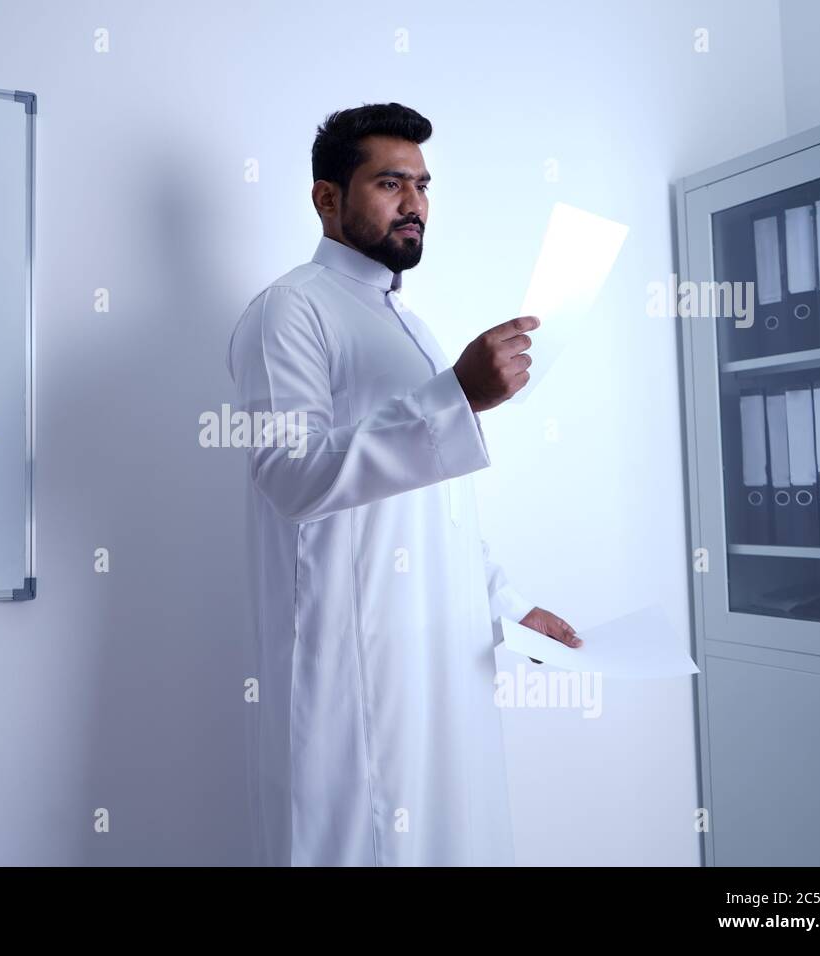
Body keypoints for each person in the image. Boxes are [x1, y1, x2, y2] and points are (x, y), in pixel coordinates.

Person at [226, 102, 580, 866]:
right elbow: (290, 475)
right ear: (327, 198)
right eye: (390, 182)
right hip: (356, 673)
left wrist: (514, 608)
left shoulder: (410, 323)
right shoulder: (288, 312)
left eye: (422, 185)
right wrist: (455, 396)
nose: (414, 203)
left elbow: (435, 506)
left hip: (441, 666)